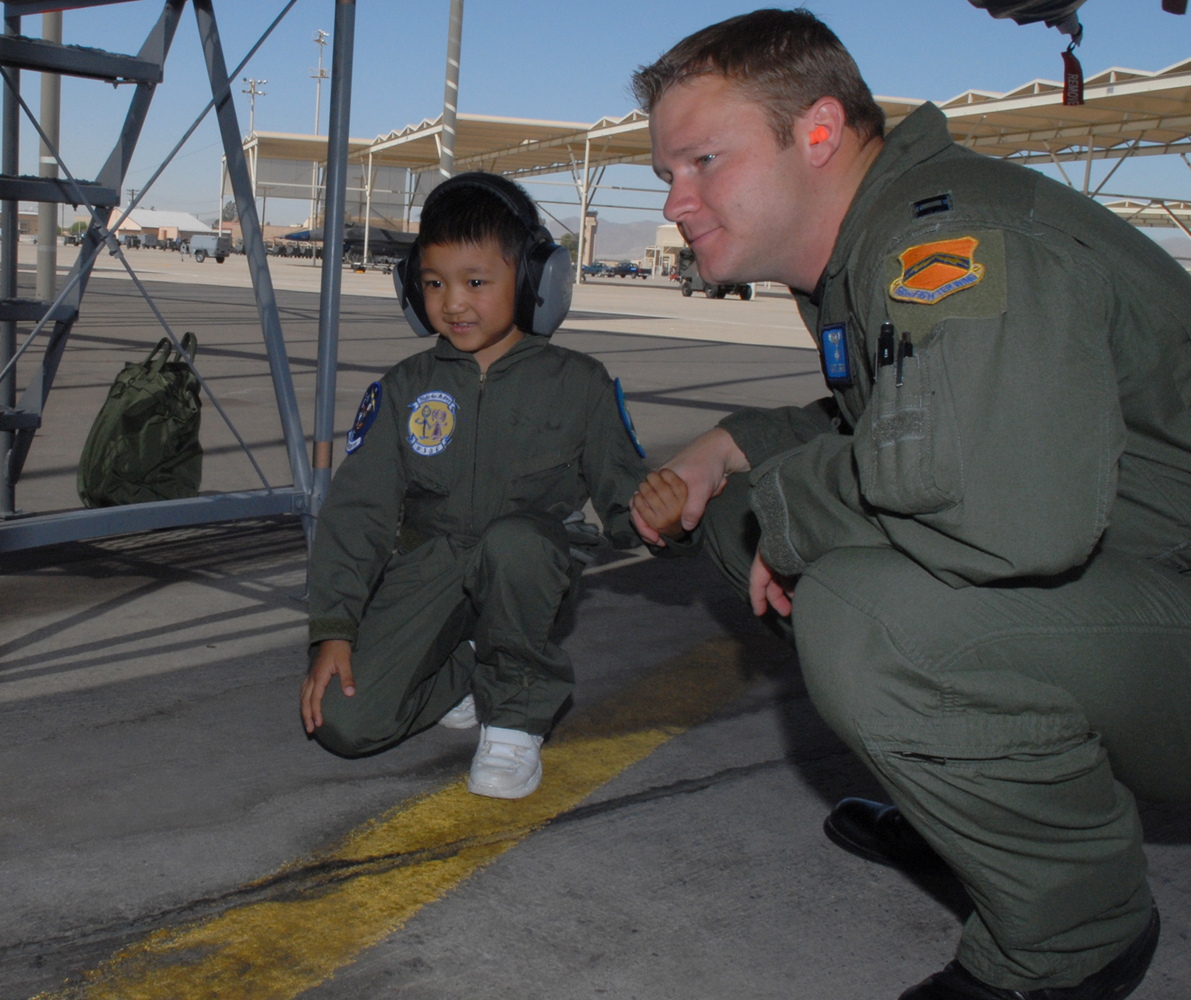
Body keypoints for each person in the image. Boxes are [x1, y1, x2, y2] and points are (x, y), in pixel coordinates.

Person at [628, 10, 1189, 1000]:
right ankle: (984, 827)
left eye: (700, 162)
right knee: (737, 513)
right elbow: (910, 419)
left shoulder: (950, 236)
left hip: (1154, 586)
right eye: (664, 173)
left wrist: (791, 508)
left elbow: (999, 501)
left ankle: (1077, 934)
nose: (675, 200)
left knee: (867, 616)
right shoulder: (868, 245)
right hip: (1134, 583)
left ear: (816, 131)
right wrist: (743, 447)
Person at [300, 172, 651, 799]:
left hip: (525, 565)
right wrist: (334, 627)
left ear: (535, 280)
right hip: (430, 564)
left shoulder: (580, 384)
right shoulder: (406, 387)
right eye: (434, 283)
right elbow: (358, 512)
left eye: (476, 282)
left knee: (513, 543)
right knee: (341, 721)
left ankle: (515, 716)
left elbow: (630, 501)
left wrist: (668, 515)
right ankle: (468, 665)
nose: (452, 303)